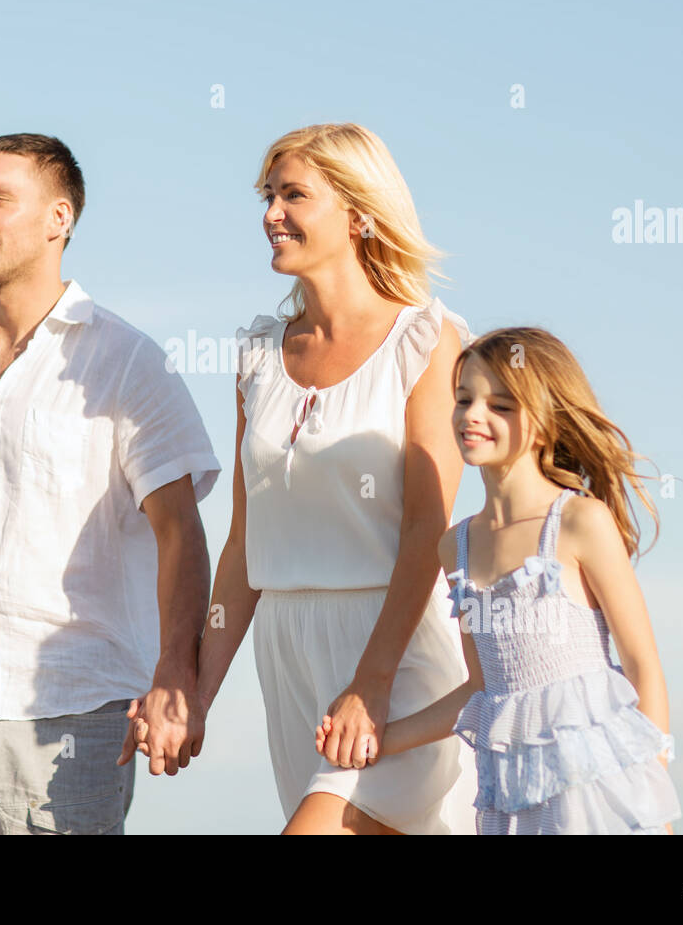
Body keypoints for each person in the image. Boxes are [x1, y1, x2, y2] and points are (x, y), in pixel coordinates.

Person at [0, 133, 221, 835]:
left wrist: (177, 672)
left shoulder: (127, 361)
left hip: (77, 715)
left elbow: (179, 531)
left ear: (59, 218)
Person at [151, 122, 479, 834]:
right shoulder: (258, 357)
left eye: (293, 195)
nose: (271, 214)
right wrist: (197, 694)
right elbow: (245, 545)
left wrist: (372, 679)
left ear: (359, 211)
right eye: (269, 195)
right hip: (289, 656)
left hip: (393, 650)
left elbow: (429, 527)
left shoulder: (424, 339)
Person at [320, 327, 682, 834]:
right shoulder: (456, 547)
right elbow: (481, 688)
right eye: (464, 398)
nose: (473, 415)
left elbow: (643, 665)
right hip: (514, 801)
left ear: (543, 421)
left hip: (602, 799)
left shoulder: (579, 522)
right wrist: (382, 738)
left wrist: (645, 786)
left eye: (501, 406)